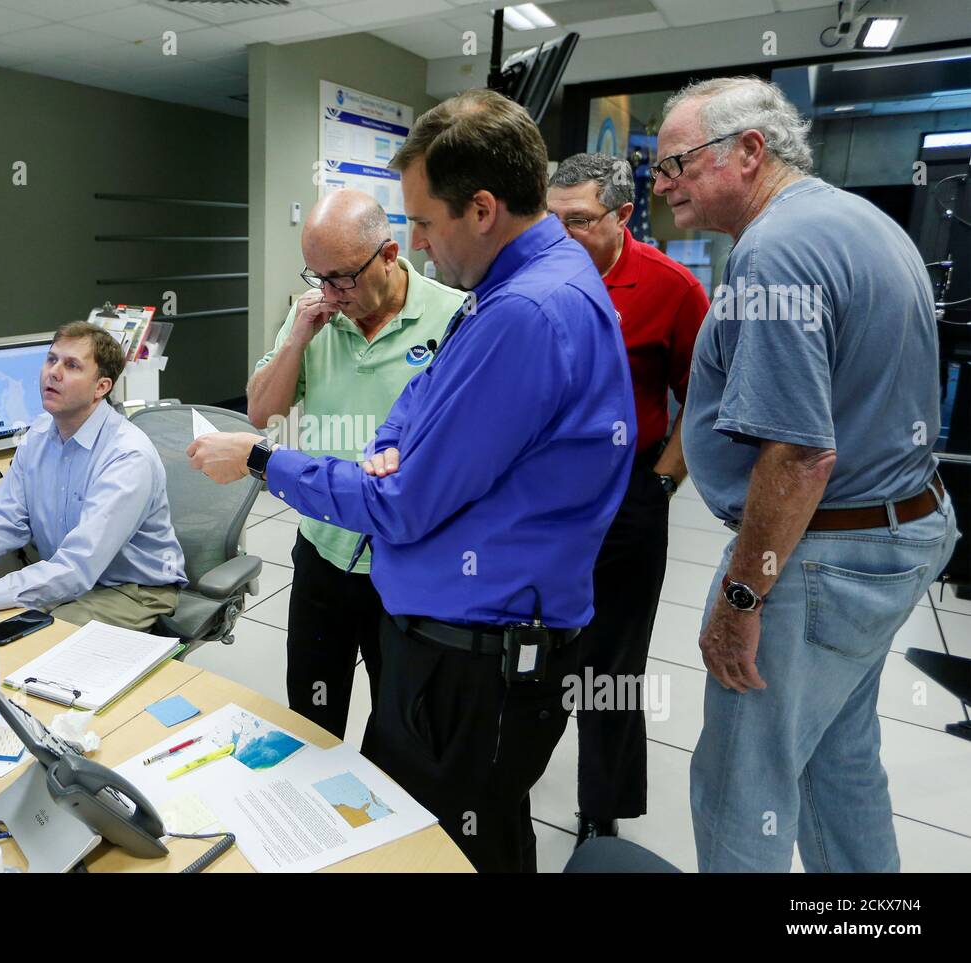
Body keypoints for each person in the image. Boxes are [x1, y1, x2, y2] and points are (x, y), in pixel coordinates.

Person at [189, 88, 635, 873]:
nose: (423, 244)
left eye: (425, 223)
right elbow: (412, 416)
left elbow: (398, 499)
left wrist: (261, 460)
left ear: (484, 209)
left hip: (478, 665)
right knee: (441, 828)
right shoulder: (520, 289)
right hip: (454, 645)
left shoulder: (521, 313)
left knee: (453, 849)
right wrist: (389, 458)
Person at [653, 76, 957, 872]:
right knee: (836, 759)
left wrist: (741, 598)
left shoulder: (776, 250)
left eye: (677, 161)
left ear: (749, 151)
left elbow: (798, 453)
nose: (661, 182)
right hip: (897, 533)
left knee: (741, 785)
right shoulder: (856, 220)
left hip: (824, 557)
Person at [247, 188, 464, 739]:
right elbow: (261, 413)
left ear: (389, 255)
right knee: (312, 713)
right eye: (316, 276)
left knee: (403, 725)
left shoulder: (454, 315)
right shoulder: (315, 315)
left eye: (341, 277)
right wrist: (297, 337)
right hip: (325, 546)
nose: (329, 292)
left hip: (408, 559)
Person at [549, 153, 709, 845]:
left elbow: (706, 397)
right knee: (530, 644)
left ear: (622, 215)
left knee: (610, 665)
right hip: (542, 496)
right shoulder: (534, 274)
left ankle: (600, 810)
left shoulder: (670, 287)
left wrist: (663, 482)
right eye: (552, 219)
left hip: (627, 491)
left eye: (579, 220)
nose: (562, 234)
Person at [0, 321, 187, 629]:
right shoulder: (37, 436)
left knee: (36, 638)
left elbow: (77, 567)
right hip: (68, 579)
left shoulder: (127, 456)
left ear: (101, 387)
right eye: (52, 359)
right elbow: (3, 522)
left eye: (72, 365)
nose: (54, 372)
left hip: (132, 591)